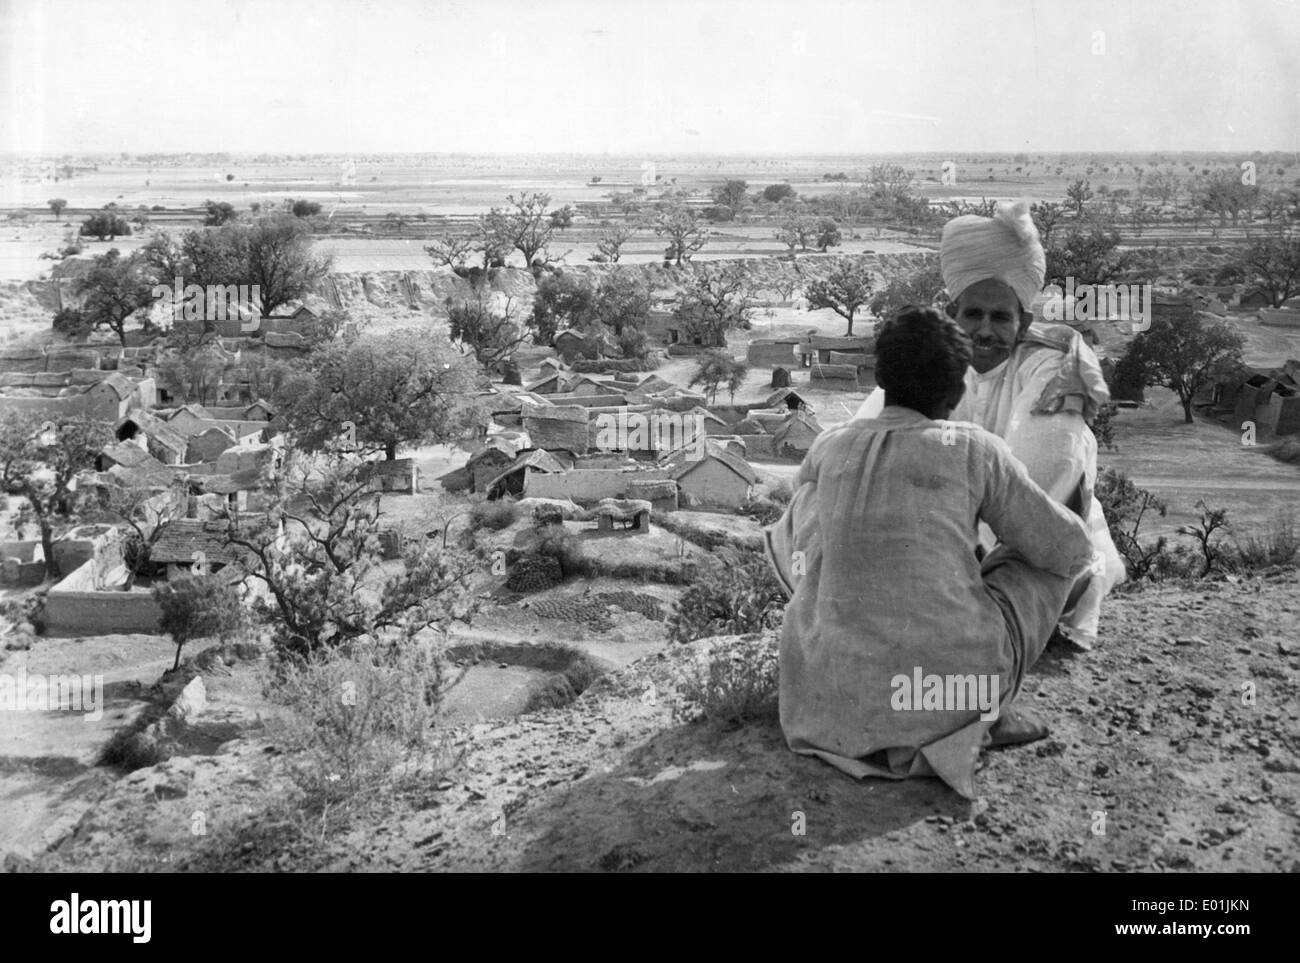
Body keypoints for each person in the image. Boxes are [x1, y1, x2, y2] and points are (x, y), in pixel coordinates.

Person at [765, 307, 1093, 798]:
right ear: (957, 392)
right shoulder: (975, 449)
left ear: (881, 379)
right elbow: (1065, 549)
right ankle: (984, 715)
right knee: (1043, 552)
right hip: (947, 695)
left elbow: (798, 536)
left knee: (807, 506)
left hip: (828, 699)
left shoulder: (829, 445)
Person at [853, 200, 1124, 648]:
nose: (984, 330)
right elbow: (869, 441)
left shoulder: (1050, 369)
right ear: (951, 314)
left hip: (1036, 546)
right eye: (973, 314)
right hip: (939, 541)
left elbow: (1038, 484)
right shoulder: (933, 362)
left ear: (1024, 322)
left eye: (1000, 318)